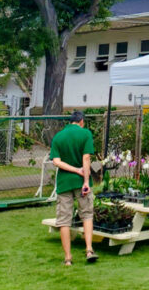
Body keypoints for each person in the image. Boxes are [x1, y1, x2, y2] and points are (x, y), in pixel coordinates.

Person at [50, 111, 97, 266]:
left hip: (64, 183)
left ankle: (68, 258)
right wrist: (84, 179)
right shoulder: (85, 134)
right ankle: (89, 249)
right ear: (81, 121)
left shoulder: (58, 137)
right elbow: (86, 158)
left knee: (64, 220)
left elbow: (56, 161)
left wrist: (73, 170)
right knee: (87, 215)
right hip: (81, 182)